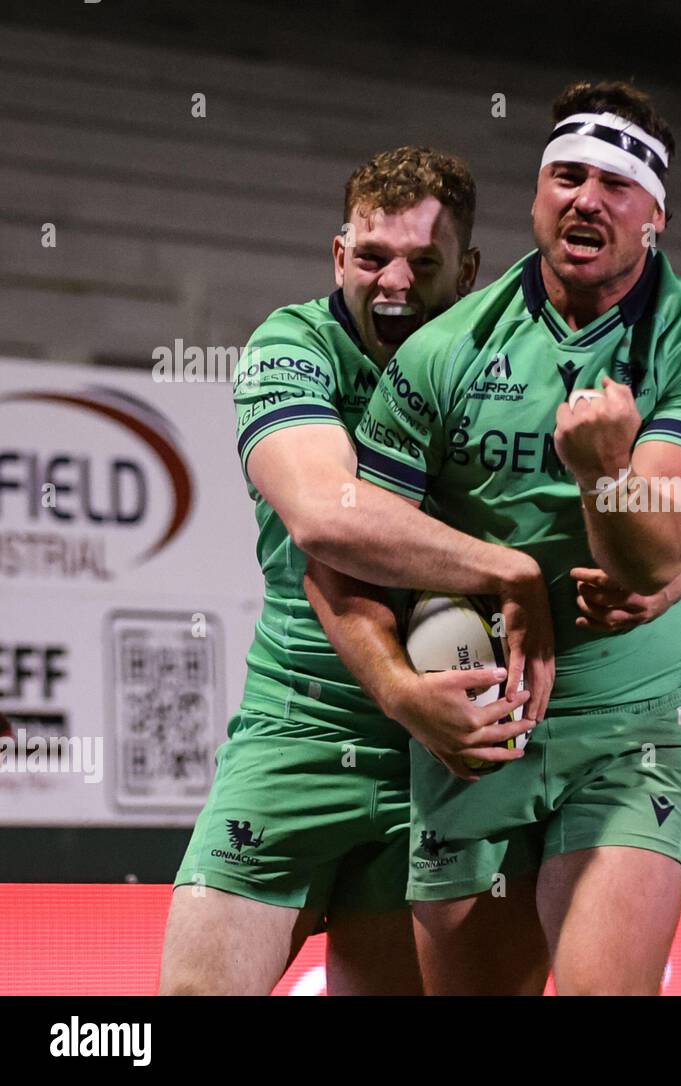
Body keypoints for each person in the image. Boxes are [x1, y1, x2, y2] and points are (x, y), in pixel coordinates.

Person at [309, 79, 681, 995]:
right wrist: (402, 695)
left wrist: (604, 472)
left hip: (634, 731)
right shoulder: (445, 350)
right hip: (475, 724)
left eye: (615, 184)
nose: (587, 198)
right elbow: (344, 553)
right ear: (537, 195)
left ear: (656, 215)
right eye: (566, 176)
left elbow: (655, 558)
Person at [160, 146, 546, 995]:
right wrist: (507, 571)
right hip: (298, 727)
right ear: (340, 257)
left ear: (470, 271)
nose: (394, 283)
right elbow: (323, 516)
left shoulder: (502, 373)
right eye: (372, 258)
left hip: (442, 757)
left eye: (423, 262)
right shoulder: (293, 345)